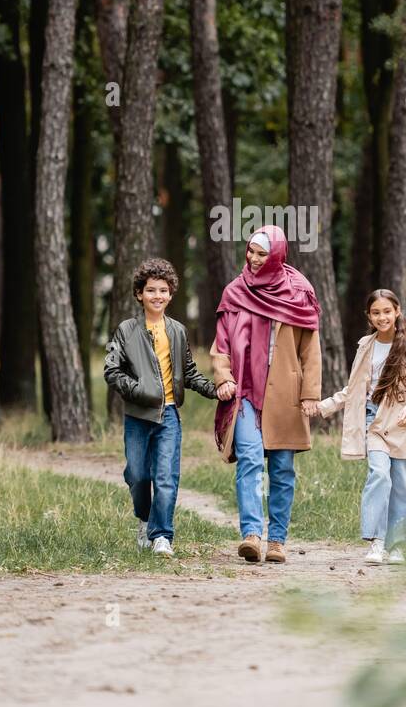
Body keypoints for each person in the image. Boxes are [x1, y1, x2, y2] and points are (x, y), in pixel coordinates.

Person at [211, 226, 321, 565]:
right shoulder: (235, 291)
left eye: (262, 254)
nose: (255, 259)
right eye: (251, 252)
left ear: (276, 255)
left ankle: (277, 540)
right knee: (249, 459)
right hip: (245, 391)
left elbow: (310, 351)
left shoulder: (298, 292)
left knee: (283, 469)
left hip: (286, 393)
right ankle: (251, 535)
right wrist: (223, 378)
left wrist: (310, 393)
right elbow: (221, 346)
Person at [104, 258, 227, 558]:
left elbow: (190, 372)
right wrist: (139, 391)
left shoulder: (177, 331)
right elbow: (111, 370)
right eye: (150, 291)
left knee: (166, 477)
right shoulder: (126, 330)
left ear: (171, 294)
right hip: (137, 416)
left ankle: (162, 536)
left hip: (169, 415)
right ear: (139, 294)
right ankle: (145, 521)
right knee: (137, 475)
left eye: (163, 290)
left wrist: (215, 390)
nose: (157, 296)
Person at [313, 288, 406, 565]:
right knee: (379, 474)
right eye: (376, 312)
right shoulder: (366, 345)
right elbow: (354, 389)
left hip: (402, 421)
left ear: (397, 311)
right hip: (374, 421)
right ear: (369, 316)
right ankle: (376, 542)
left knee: (402, 486)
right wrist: (325, 406)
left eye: (387, 311)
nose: (382, 317)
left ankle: (396, 545)